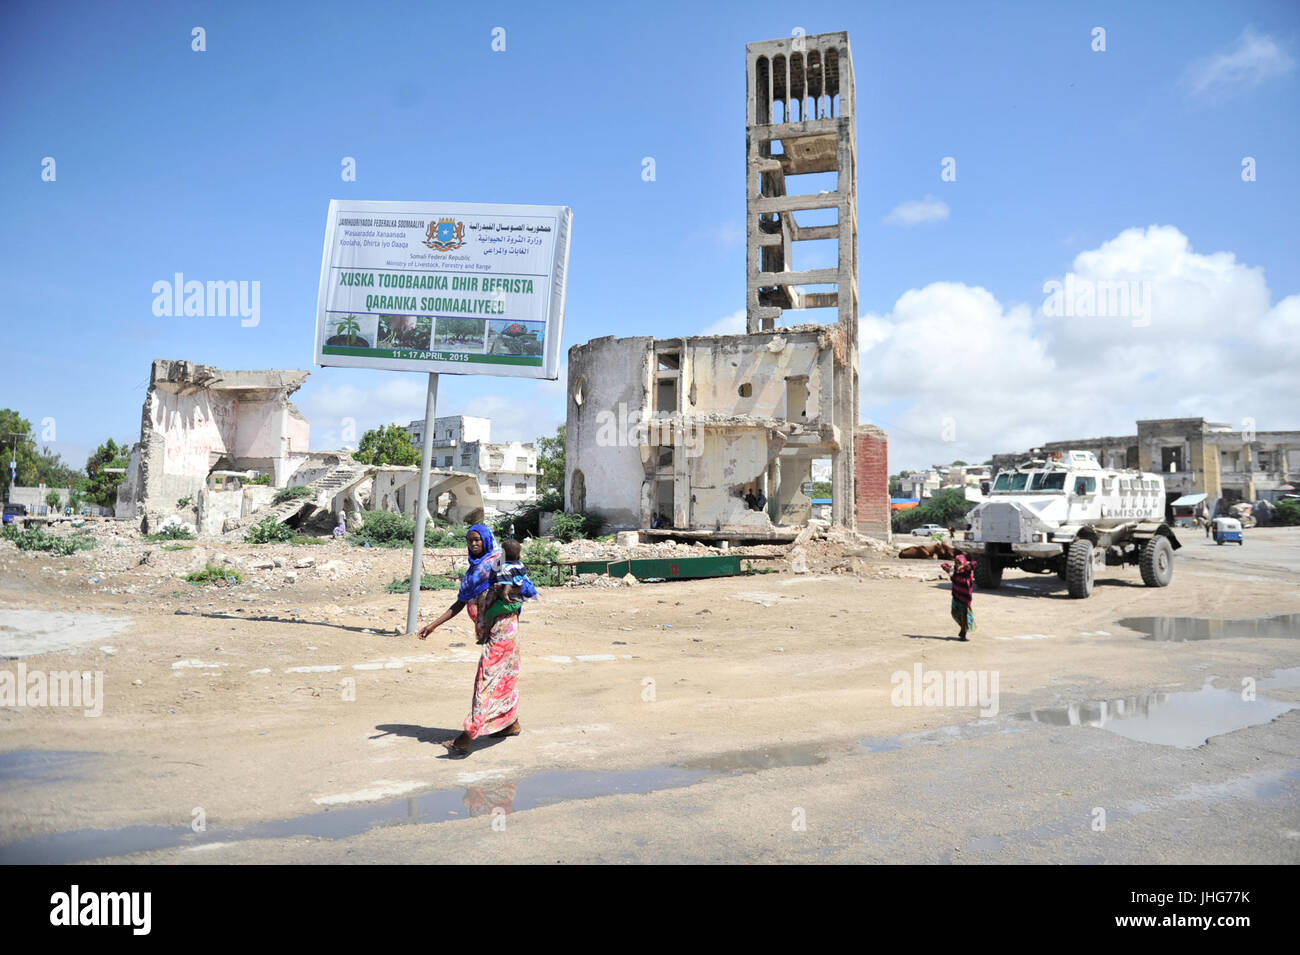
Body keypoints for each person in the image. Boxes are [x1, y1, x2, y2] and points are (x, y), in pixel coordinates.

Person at [417, 524, 522, 756]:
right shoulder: (474, 569)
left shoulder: (496, 561)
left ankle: (467, 736)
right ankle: (510, 723)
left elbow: (520, 581)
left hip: (504, 627)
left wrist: (505, 591)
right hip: (492, 629)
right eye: (470, 540)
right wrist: (432, 625)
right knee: (503, 677)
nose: (473, 544)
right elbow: (460, 602)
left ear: (485, 540)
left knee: (485, 678)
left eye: (477, 540)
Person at [939, 552, 977, 641]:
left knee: (964, 616)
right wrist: (951, 568)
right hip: (956, 596)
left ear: (964, 562)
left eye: (959, 562)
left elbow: (974, 563)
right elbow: (943, 565)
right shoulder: (954, 571)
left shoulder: (967, 571)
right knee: (954, 613)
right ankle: (963, 628)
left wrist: (964, 566)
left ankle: (963, 632)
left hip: (965, 598)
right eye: (956, 562)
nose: (957, 564)